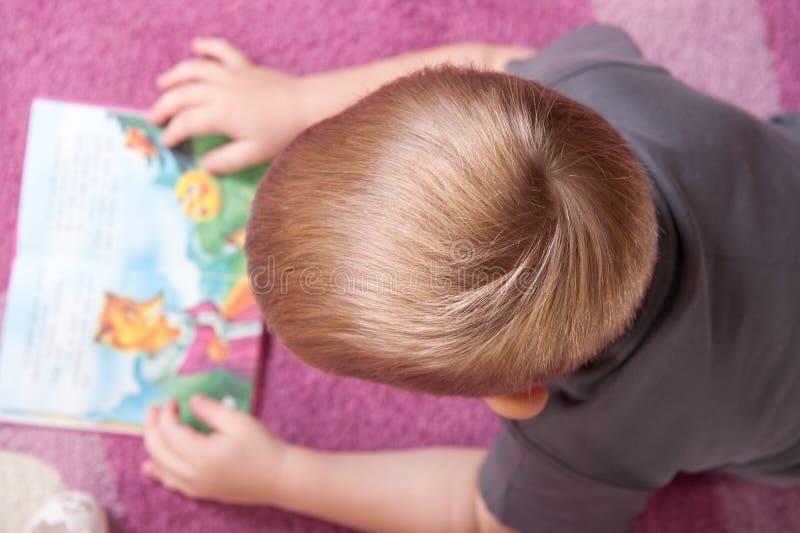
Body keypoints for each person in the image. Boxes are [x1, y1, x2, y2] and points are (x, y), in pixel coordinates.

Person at [141, 25, 800, 533]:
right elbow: (487, 63)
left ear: (518, 394)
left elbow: (482, 515)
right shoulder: (592, 84)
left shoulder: (594, 432)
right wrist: (296, 101)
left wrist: (283, 476)